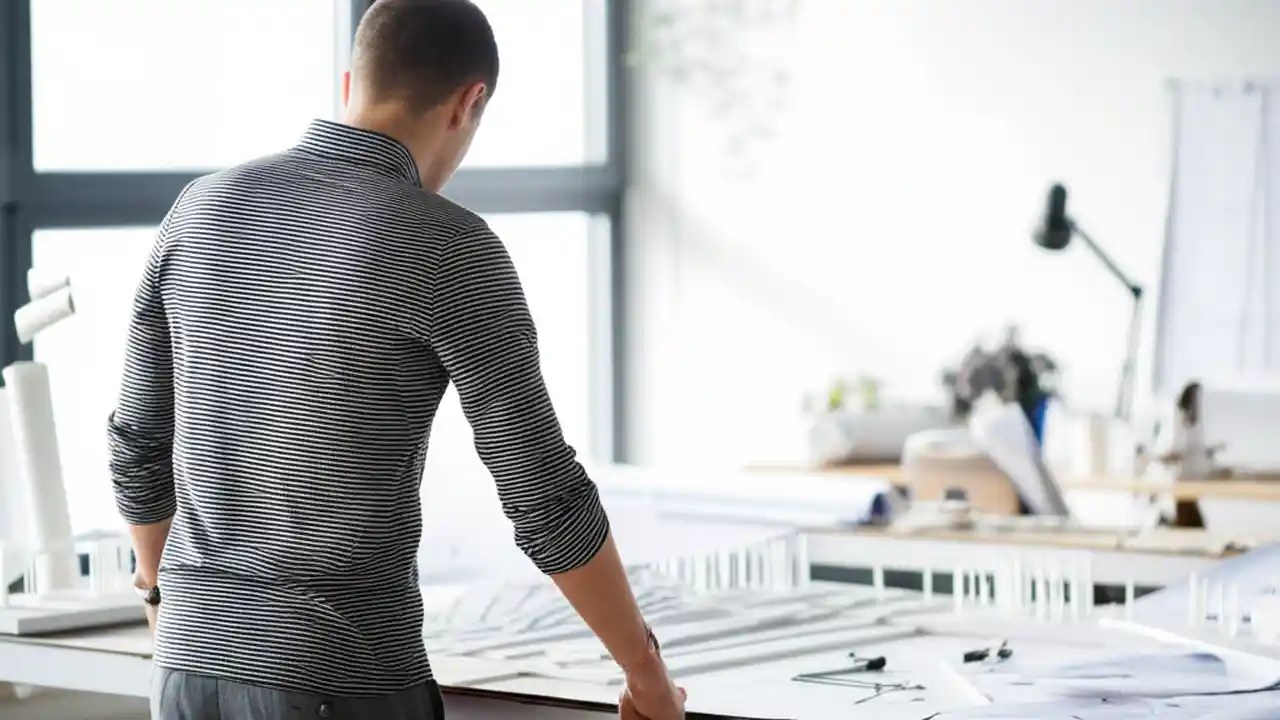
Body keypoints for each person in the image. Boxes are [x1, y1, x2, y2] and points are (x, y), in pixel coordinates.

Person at [107, 1, 686, 718]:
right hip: (338, 676)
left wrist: (163, 597)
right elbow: (543, 493)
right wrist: (643, 669)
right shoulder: (448, 245)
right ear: (469, 102)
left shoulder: (200, 208)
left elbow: (137, 441)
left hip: (186, 669)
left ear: (352, 82)